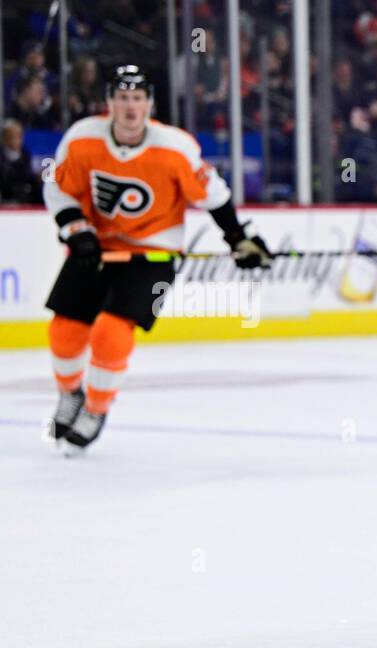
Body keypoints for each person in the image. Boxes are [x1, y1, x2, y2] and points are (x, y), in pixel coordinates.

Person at [42, 65, 271, 454]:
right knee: (65, 331)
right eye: (123, 98)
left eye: (138, 99)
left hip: (153, 254)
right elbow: (60, 191)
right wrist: (77, 231)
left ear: (150, 104)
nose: (131, 107)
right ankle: (69, 395)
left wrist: (238, 239)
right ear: (109, 103)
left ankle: (96, 409)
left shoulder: (174, 147)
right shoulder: (82, 139)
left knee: (111, 334)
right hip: (96, 247)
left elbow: (213, 195)